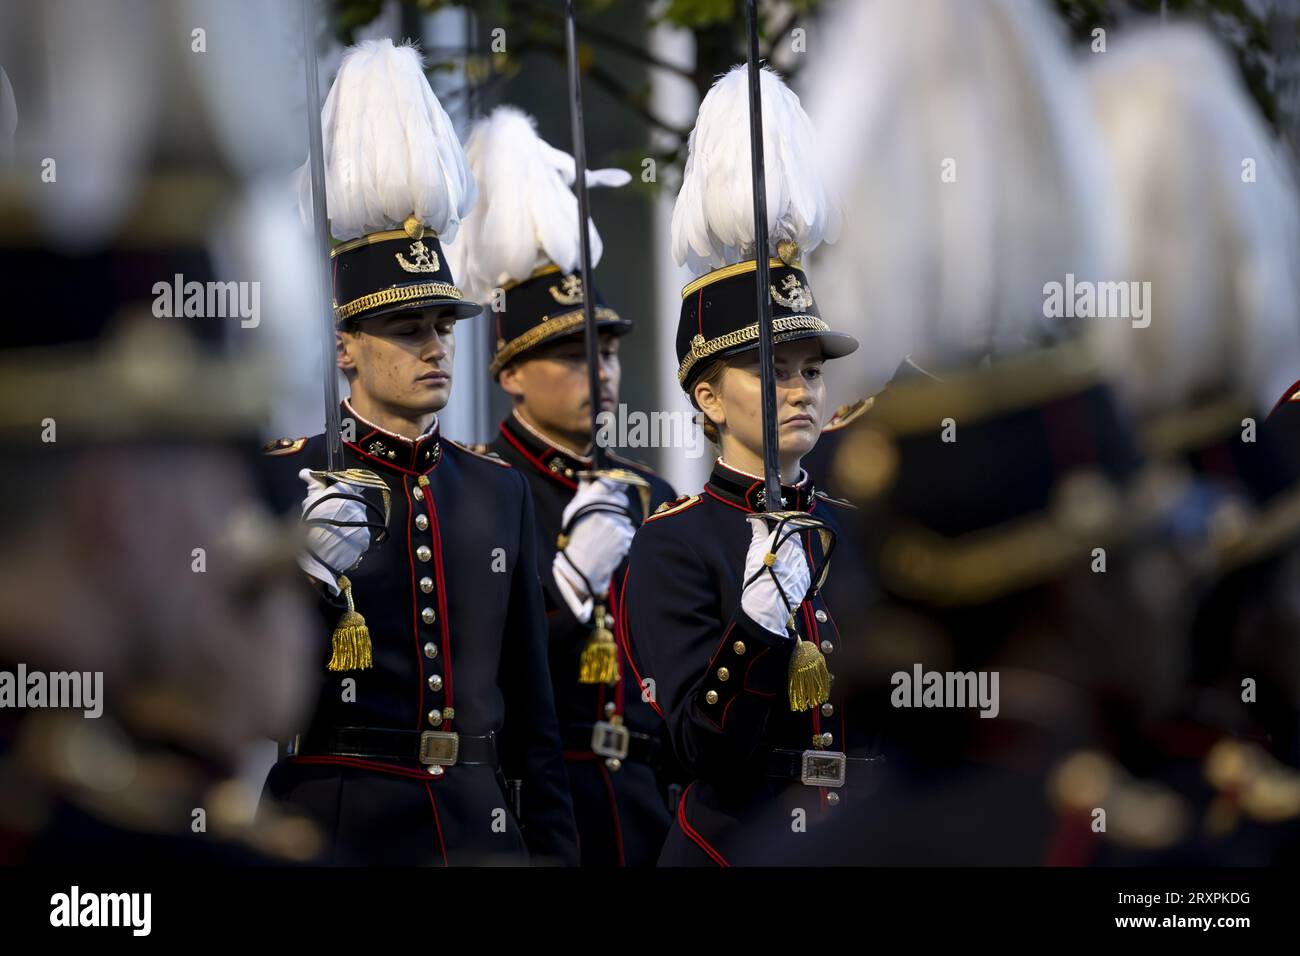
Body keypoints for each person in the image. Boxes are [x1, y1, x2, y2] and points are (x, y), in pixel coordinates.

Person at [257, 40, 577, 866]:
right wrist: (306, 581)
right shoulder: (281, 480)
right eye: (406, 329)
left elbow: (533, 722)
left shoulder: (495, 491)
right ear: (344, 346)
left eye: (442, 326)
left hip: (476, 826)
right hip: (336, 818)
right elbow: (245, 692)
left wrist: (552, 850)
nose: (435, 347)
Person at [619, 64, 877, 867]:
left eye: (810, 369)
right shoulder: (673, 544)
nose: (799, 389)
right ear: (707, 396)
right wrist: (759, 628)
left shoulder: (855, 527)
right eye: (772, 370)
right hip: (736, 845)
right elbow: (699, 750)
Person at [447, 106, 677, 865]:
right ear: (509, 372)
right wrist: (567, 587)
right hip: (541, 799)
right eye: (575, 356)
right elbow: (468, 664)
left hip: (649, 798)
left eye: (607, 353)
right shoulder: (480, 485)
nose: (603, 373)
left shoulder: (650, 488)